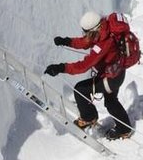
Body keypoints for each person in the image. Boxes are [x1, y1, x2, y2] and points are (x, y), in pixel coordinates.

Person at [44, 11, 135, 139]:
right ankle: (125, 129)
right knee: (111, 102)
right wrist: (66, 41)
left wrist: (60, 68)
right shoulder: (104, 29)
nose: (85, 35)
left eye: (86, 32)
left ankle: (88, 117)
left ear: (93, 30)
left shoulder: (104, 44)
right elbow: (85, 42)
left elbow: (83, 66)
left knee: (80, 90)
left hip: (111, 78)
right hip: (116, 72)